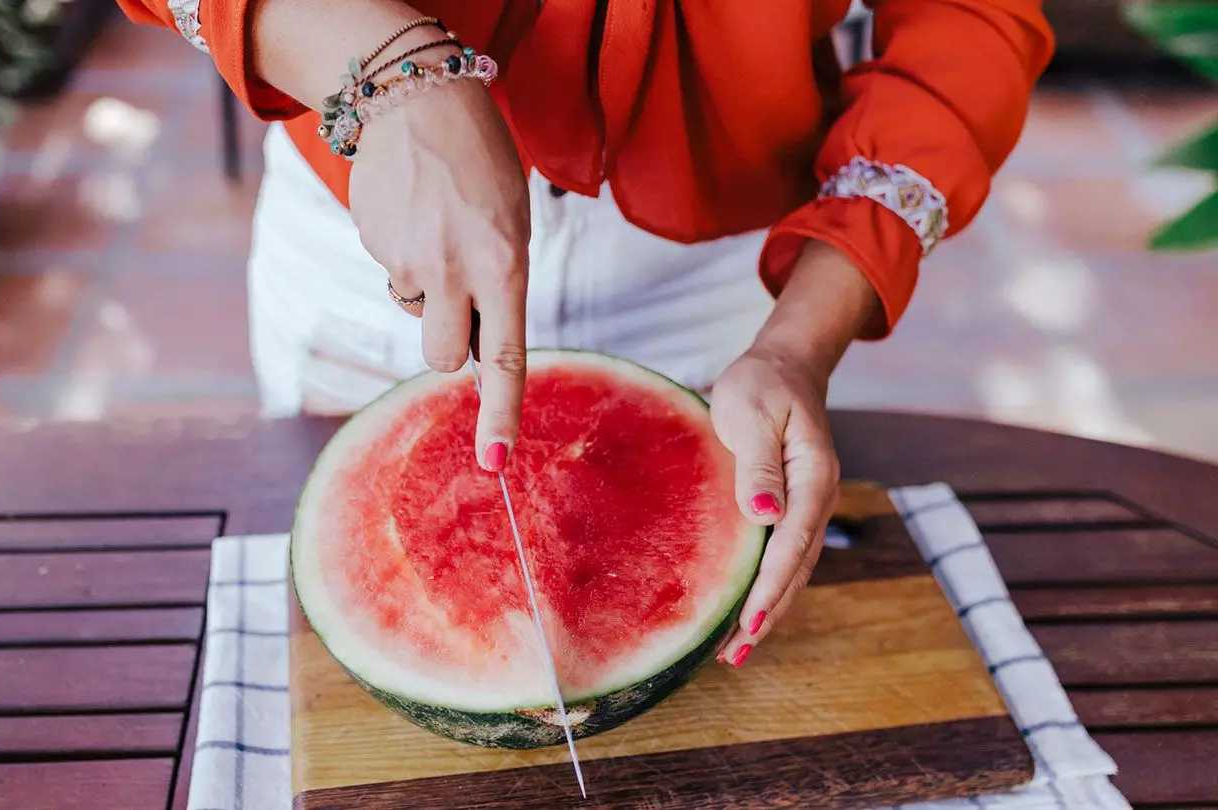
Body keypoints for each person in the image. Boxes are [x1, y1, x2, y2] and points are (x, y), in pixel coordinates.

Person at [115, 0, 1053, 666]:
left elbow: (970, 19)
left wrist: (797, 343)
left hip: (716, 271)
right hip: (380, 209)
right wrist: (388, 66)